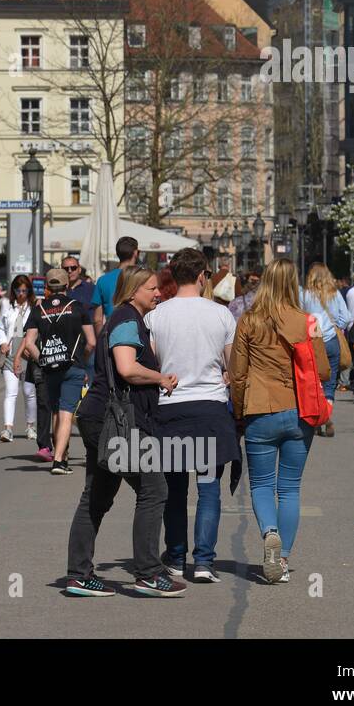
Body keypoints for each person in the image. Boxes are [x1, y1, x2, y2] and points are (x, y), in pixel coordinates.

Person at [64, 266, 184, 597]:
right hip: (115, 421)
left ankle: (78, 574)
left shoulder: (123, 318)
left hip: (102, 417)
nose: (158, 293)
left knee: (97, 495)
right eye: (152, 288)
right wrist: (160, 378)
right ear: (133, 292)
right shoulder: (127, 319)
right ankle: (147, 572)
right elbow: (127, 368)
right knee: (153, 489)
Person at [230, 258, 329, 584]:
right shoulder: (306, 321)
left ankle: (268, 532)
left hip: (260, 409)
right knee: (289, 488)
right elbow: (324, 370)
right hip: (299, 412)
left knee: (260, 484)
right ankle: (282, 559)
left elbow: (238, 375)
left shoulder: (249, 321)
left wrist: (239, 412)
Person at [145, 248, 239, 582]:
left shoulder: (156, 316)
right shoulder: (221, 315)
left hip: (171, 407)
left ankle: (174, 557)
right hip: (210, 407)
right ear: (202, 277)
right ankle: (204, 561)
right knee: (208, 488)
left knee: (174, 489)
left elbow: (151, 364)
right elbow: (233, 367)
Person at [18, 267, 95, 474]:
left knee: (56, 411)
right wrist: (83, 359)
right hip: (72, 365)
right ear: (66, 285)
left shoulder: (38, 310)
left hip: (50, 368)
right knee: (66, 413)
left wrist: (42, 359)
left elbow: (29, 344)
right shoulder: (77, 307)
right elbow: (91, 342)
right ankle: (59, 460)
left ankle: (62, 454)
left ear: (48, 286)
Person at [300, 262, 351, 437]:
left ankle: (316, 417)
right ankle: (326, 415)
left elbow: (299, 316)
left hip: (312, 340)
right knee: (330, 383)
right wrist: (334, 324)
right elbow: (346, 318)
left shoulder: (305, 295)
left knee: (314, 380)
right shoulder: (335, 294)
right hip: (331, 341)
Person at [0, 274, 38, 443]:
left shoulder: (34, 307)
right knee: (11, 392)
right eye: (18, 290)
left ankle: (30, 426)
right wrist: (3, 343)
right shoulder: (7, 306)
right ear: (13, 290)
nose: (21, 293)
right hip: (10, 354)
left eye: (24, 290)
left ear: (29, 291)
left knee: (29, 392)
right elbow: (0, 328)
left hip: (28, 354)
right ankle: (8, 429)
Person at [90, 236, 139, 336]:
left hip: (112, 333)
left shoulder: (102, 280)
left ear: (117, 254)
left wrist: (102, 342)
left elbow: (98, 319)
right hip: (137, 332)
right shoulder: (141, 278)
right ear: (135, 253)